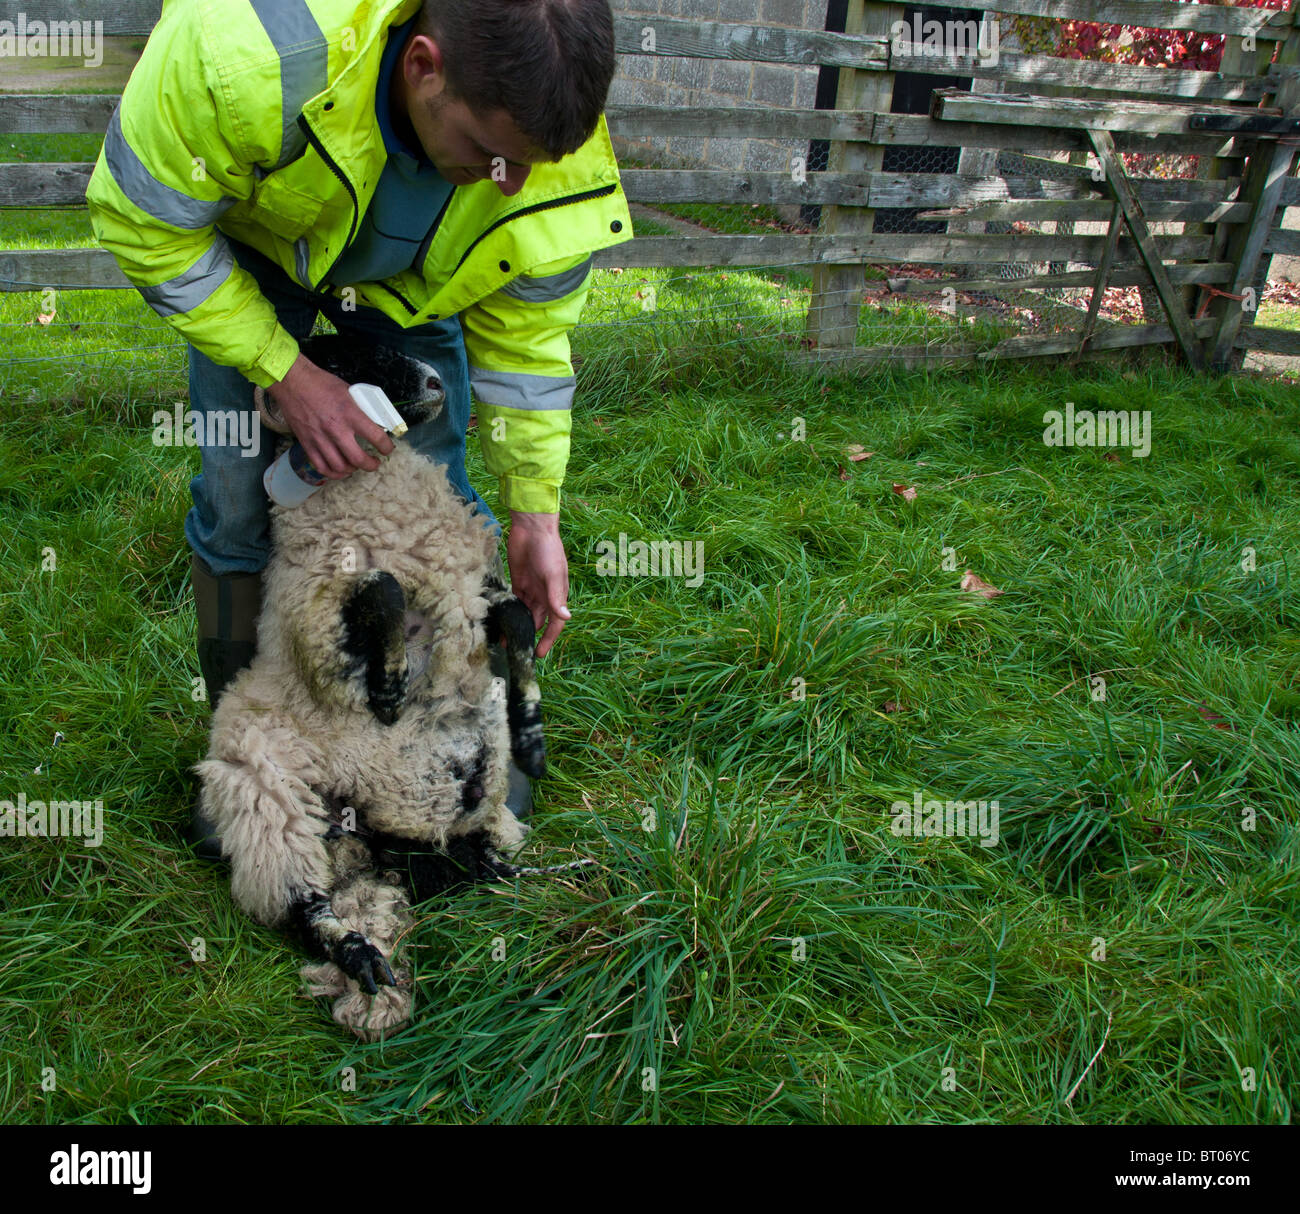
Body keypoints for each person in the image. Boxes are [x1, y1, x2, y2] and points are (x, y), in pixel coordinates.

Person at [85, 0, 633, 845]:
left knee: (433, 516)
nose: (514, 183)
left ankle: (447, 744)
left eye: (527, 165)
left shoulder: (544, 136)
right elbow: (142, 217)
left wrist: (536, 512)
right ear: (422, 65)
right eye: (491, 157)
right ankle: (255, 753)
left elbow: (526, 341)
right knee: (238, 501)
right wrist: (286, 374)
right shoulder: (242, 58)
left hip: (415, 289)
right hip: (258, 251)